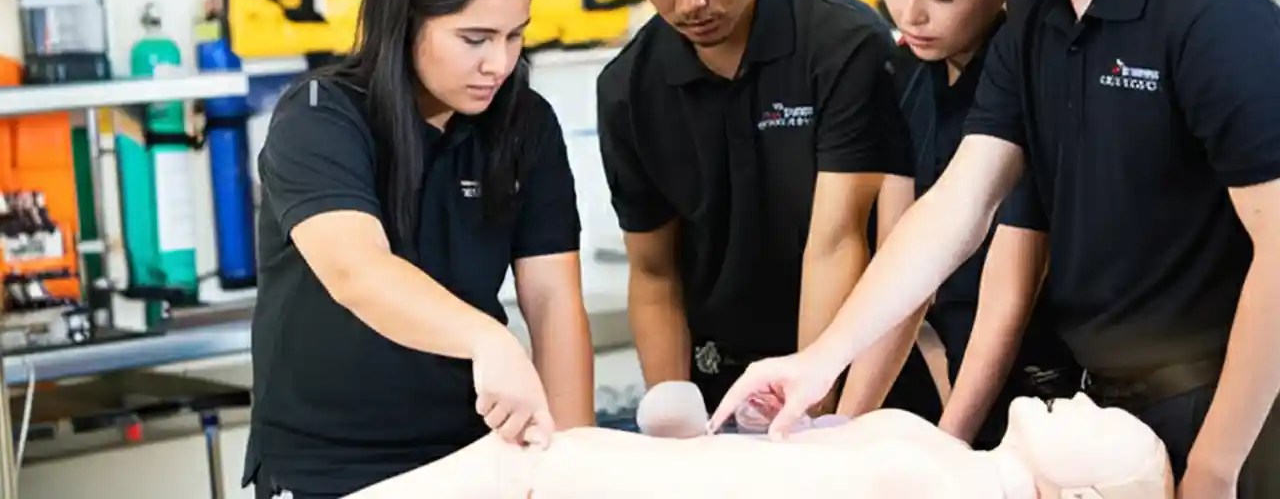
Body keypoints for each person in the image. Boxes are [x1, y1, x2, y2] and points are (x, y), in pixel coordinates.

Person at [710, 0, 1280, 496]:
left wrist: (1217, 465)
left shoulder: (1211, 20)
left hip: (1234, 408)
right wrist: (822, 359)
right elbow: (959, 204)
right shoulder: (1034, 21)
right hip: (1100, 411)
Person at [241, 0, 596, 498]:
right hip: (329, 469)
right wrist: (487, 340)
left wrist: (570, 464)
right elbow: (359, 271)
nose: (499, 63)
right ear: (406, 21)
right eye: (474, 38)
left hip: (472, 454)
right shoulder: (320, 117)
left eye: (514, 37)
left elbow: (553, 297)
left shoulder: (524, 122)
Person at [596, 0, 938, 418]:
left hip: (848, 372)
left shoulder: (843, 44)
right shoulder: (627, 89)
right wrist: (675, 418)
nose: (688, 3)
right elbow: (654, 274)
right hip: (719, 383)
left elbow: (837, 240)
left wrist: (808, 410)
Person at [834, 0, 1080, 448]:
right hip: (966, 369)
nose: (909, 14)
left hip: (1060, 389)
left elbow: (1010, 288)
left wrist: (952, 440)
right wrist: (839, 429)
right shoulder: (904, 74)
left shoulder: (1028, 69)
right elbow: (904, 275)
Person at [346, 387, 1174, 499]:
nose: (1085, 400)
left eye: (1104, 430)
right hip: (611, 467)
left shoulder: (962, 489)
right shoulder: (951, 458)